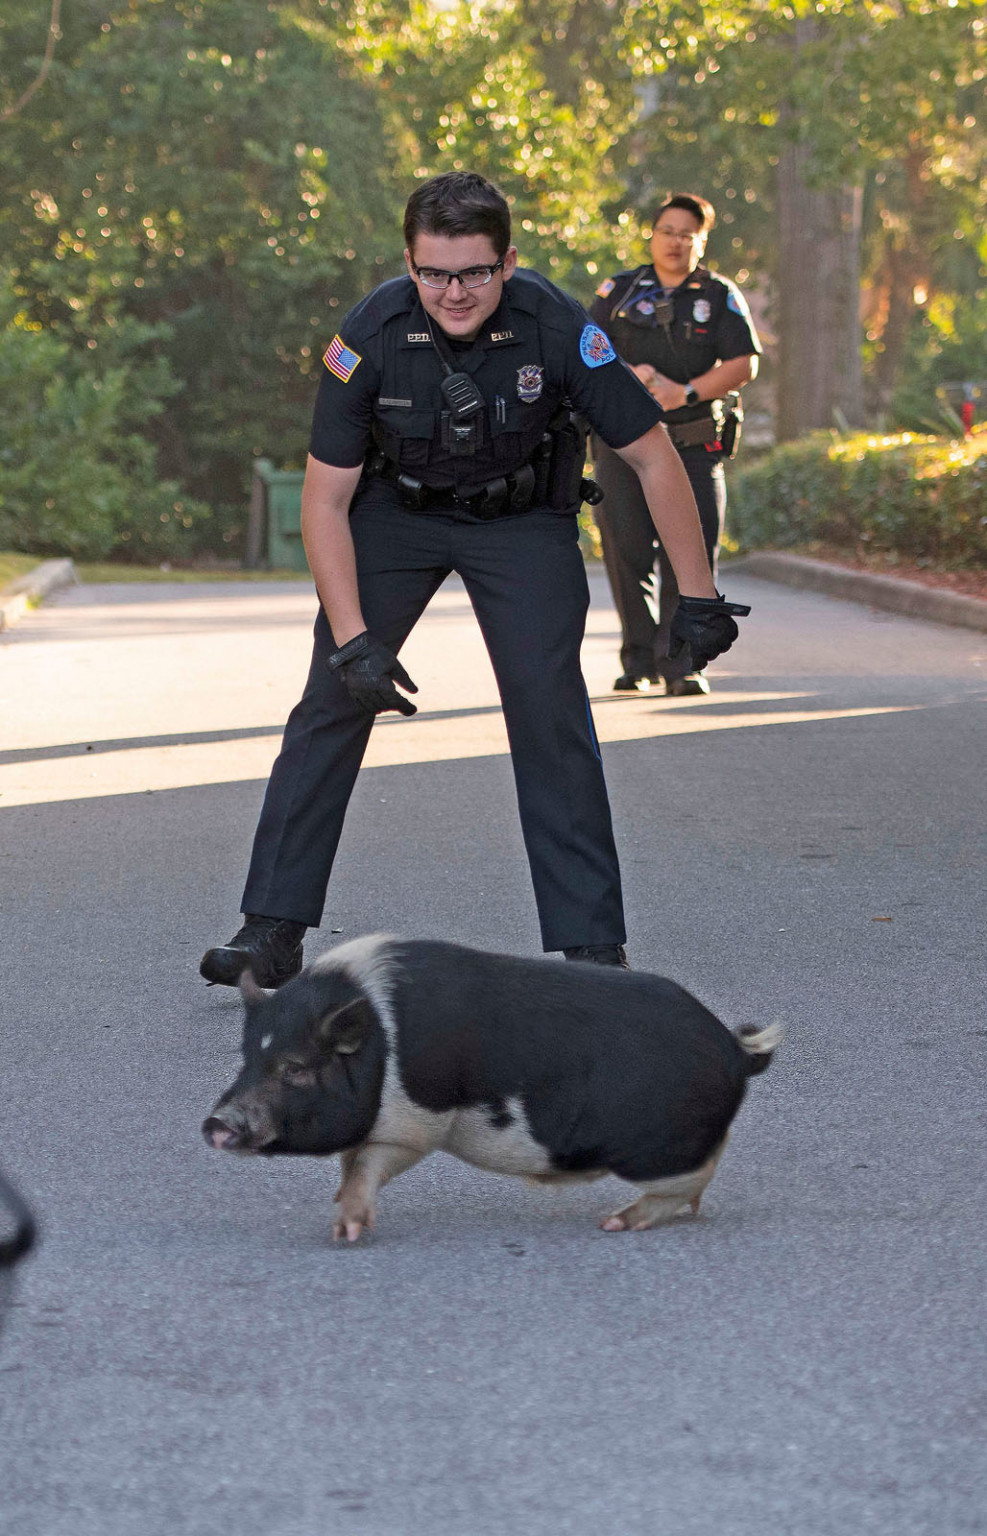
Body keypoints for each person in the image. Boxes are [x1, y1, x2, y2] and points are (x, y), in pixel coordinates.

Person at [199, 171, 749, 988]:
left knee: (548, 707)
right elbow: (325, 498)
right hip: (394, 515)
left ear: (508, 262)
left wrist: (698, 594)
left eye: (476, 272)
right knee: (331, 699)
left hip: (521, 522)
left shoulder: (558, 324)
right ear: (409, 264)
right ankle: (270, 928)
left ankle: (592, 950)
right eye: (434, 273)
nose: (454, 292)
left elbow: (649, 452)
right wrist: (353, 643)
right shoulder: (372, 332)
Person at [590, 193, 761, 695]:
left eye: (688, 233)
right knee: (626, 551)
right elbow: (586, 349)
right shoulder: (620, 291)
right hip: (623, 447)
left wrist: (682, 392)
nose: (676, 241)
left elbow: (744, 362)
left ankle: (683, 664)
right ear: (652, 233)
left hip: (692, 442)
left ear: (701, 241)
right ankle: (638, 660)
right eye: (668, 230)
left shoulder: (719, 294)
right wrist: (630, 375)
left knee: (692, 552)